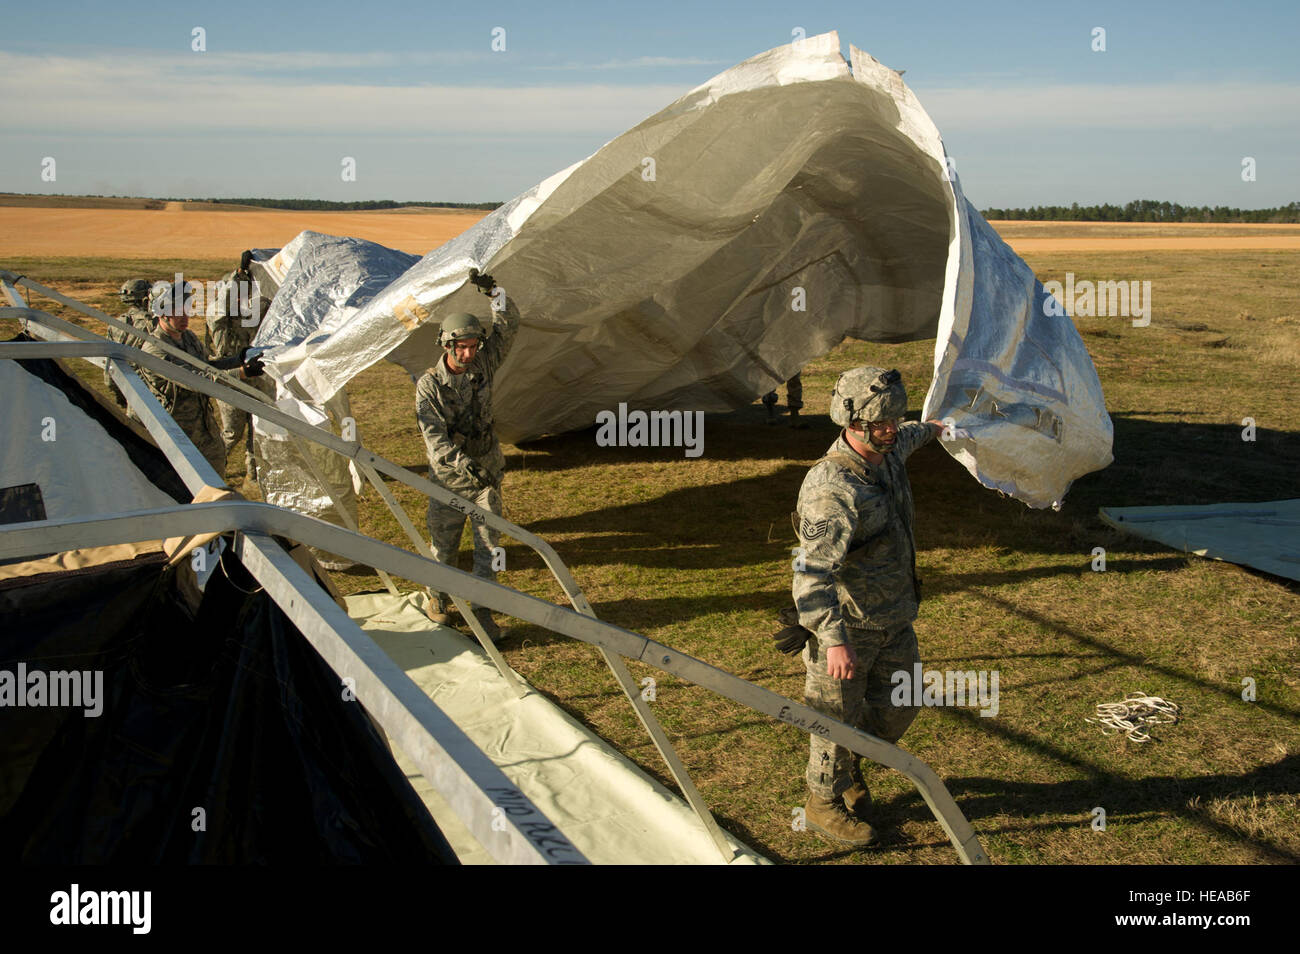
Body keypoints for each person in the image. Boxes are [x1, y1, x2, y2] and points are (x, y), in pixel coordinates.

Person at [791, 366, 945, 846]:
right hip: (849, 628)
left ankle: (851, 764)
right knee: (832, 720)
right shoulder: (832, 489)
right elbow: (811, 574)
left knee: (902, 704)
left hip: (895, 617)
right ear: (852, 422)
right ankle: (822, 804)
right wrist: (832, 641)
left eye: (895, 420)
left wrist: (936, 428)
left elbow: (912, 435)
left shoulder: (888, 448)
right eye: (881, 423)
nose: (892, 430)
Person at [415, 269, 519, 641]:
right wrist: (463, 464)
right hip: (449, 480)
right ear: (446, 345)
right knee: (444, 546)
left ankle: (483, 611)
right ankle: (437, 599)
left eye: (474, 346)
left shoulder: (483, 365)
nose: (468, 353)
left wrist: (495, 293)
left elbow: (509, 326)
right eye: (461, 347)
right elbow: (434, 438)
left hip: (486, 475)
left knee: (489, 547)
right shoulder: (429, 386)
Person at [137, 279, 265, 480]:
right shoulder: (155, 349)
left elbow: (208, 366)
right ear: (162, 313)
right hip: (178, 433)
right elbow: (194, 380)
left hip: (205, 428)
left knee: (216, 478)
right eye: (178, 313)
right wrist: (241, 373)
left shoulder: (187, 337)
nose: (185, 317)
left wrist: (239, 358)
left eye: (186, 310)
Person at [207, 251, 273, 481]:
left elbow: (273, 300)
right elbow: (222, 306)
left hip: (254, 377)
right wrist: (240, 275)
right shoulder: (218, 319)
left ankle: (253, 475)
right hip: (230, 378)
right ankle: (210, 470)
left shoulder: (253, 313)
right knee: (232, 432)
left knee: (257, 428)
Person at [104, 279, 155, 407]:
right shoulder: (152, 324)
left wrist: (116, 389)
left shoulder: (115, 324)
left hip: (124, 384)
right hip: (148, 388)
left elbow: (110, 361)